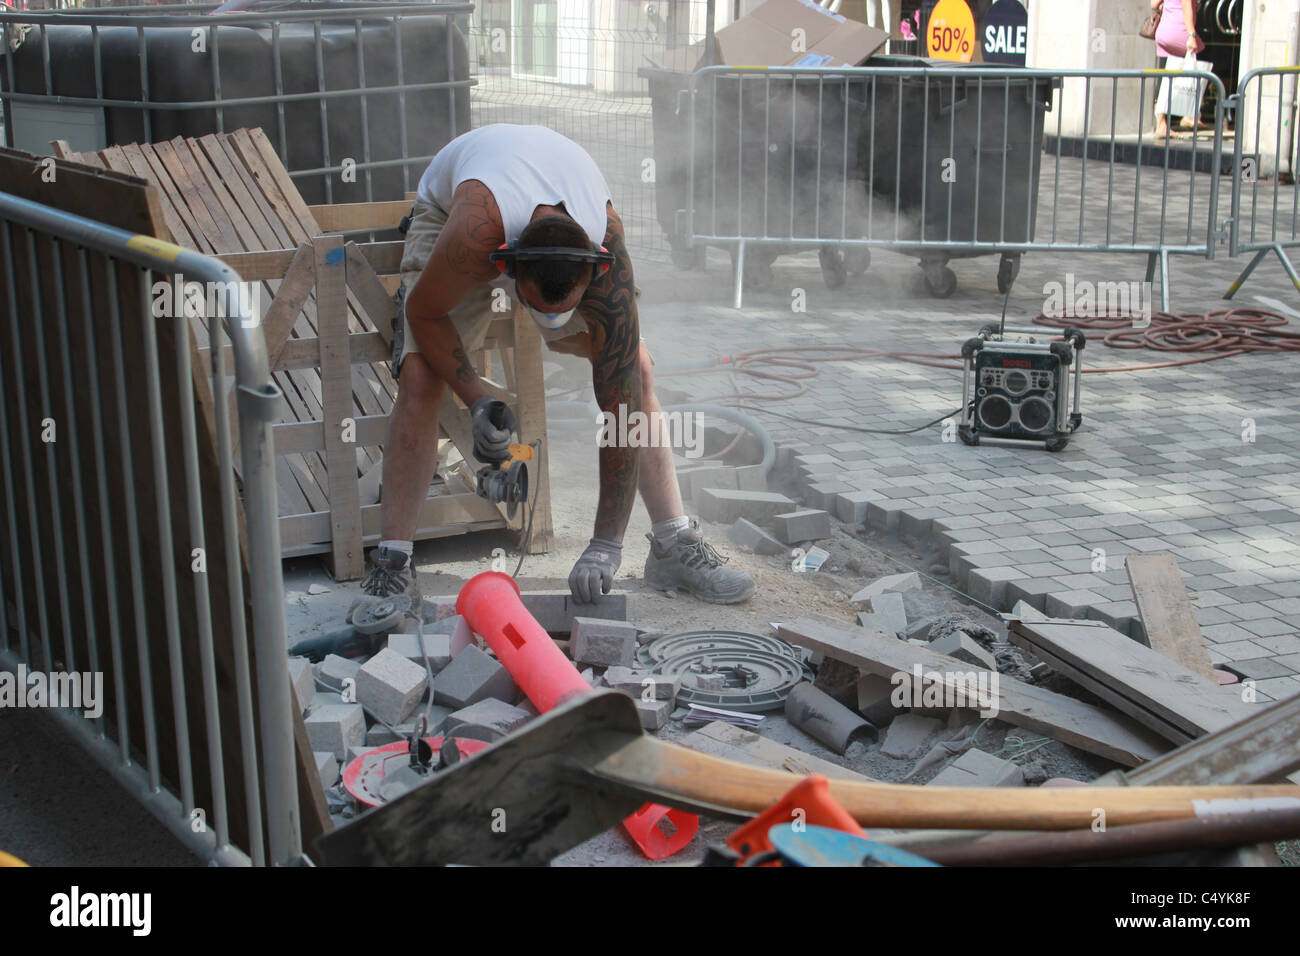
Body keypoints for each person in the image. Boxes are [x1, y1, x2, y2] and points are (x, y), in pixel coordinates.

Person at [361, 124, 756, 609]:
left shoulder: (608, 248)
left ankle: (673, 542)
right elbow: (426, 312)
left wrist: (605, 544)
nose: (549, 323)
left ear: (597, 269)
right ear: (504, 267)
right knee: (421, 374)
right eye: (535, 308)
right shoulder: (473, 236)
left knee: (637, 369)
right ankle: (393, 563)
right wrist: (478, 400)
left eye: (562, 309)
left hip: (547, 218)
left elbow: (622, 405)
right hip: (457, 204)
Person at [1152, 0, 1210, 137]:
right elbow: (1187, 6)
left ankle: (1162, 122)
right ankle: (1188, 115)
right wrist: (1192, 35)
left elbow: (1154, 4)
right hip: (1179, 31)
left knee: (1166, 74)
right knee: (1200, 61)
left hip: (1164, 31)